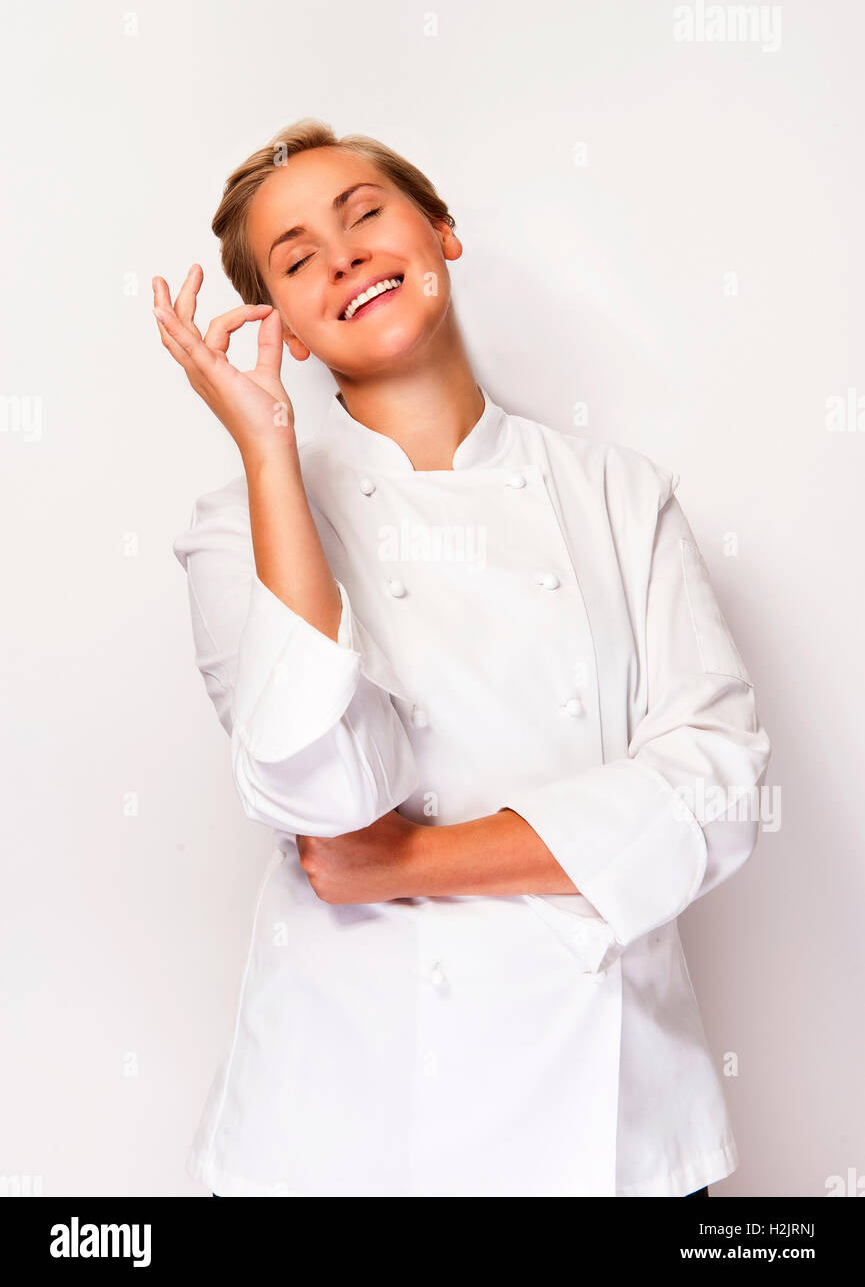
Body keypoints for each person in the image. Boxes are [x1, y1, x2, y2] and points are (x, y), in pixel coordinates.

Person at [157, 118, 771, 1198]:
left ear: (440, 232)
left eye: (365, 215)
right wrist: (268, 455)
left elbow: (718, 790)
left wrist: (405, 865)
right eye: (297, 258)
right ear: (287, 331)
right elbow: (331, 791)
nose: (342, 255)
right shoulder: (240, 525)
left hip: (615, 1135)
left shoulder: (621, 494)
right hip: (351, 1127)